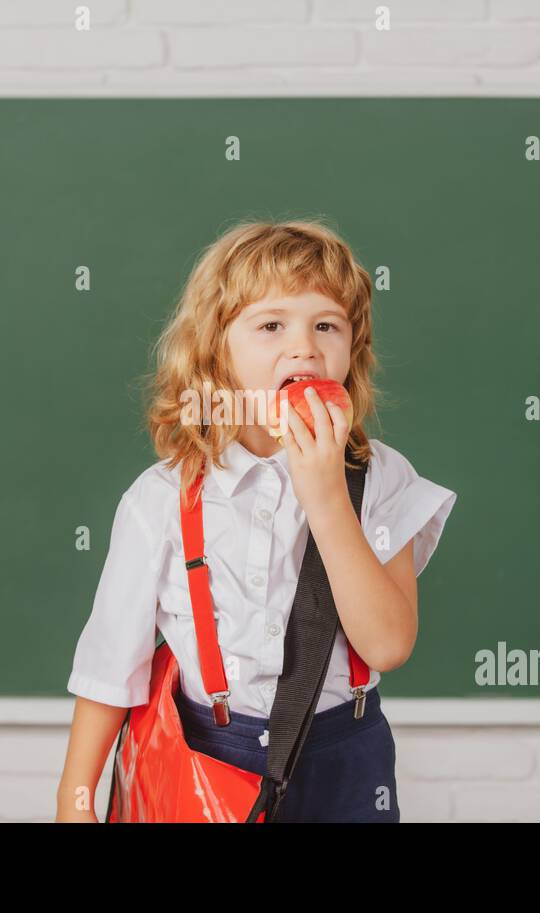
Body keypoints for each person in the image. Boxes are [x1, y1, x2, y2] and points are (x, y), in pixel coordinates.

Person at [56, 220, 456, 822]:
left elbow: (388, 644)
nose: (304, 347)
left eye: (327, 325)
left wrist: (325, 496)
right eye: (271, 325)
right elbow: (111, 667)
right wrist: (75, 800)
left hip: (346, 759)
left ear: (352, 350)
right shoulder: (163, 499)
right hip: (213, 760)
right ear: (216, 350)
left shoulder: (380, 477)